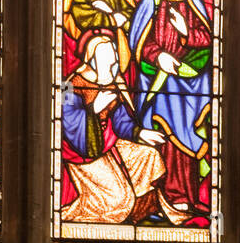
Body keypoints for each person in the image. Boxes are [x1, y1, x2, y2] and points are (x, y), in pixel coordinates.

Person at [61, 33, 183, 225]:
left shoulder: (111, 82)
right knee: (117, 200)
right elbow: (69, 125)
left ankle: (143, 211)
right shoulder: (71, 85)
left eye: (113, 58)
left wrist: (139, 133)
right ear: (93, 59)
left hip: (107, 144)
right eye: (107, 59)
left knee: (149, 156)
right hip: (84, 152)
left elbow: (120, 120)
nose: (112, 63)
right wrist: (93, 110)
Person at [130, 0, 212, 219]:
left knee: (186, 136)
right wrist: (158, 56)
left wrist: (187, 34)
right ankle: (161, 195)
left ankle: (184, 195)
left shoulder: (192, 3)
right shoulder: (151, 1)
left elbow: (207, 40)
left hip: (190, 83)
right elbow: (138, 41)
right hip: (158, 81)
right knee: (162, 133)